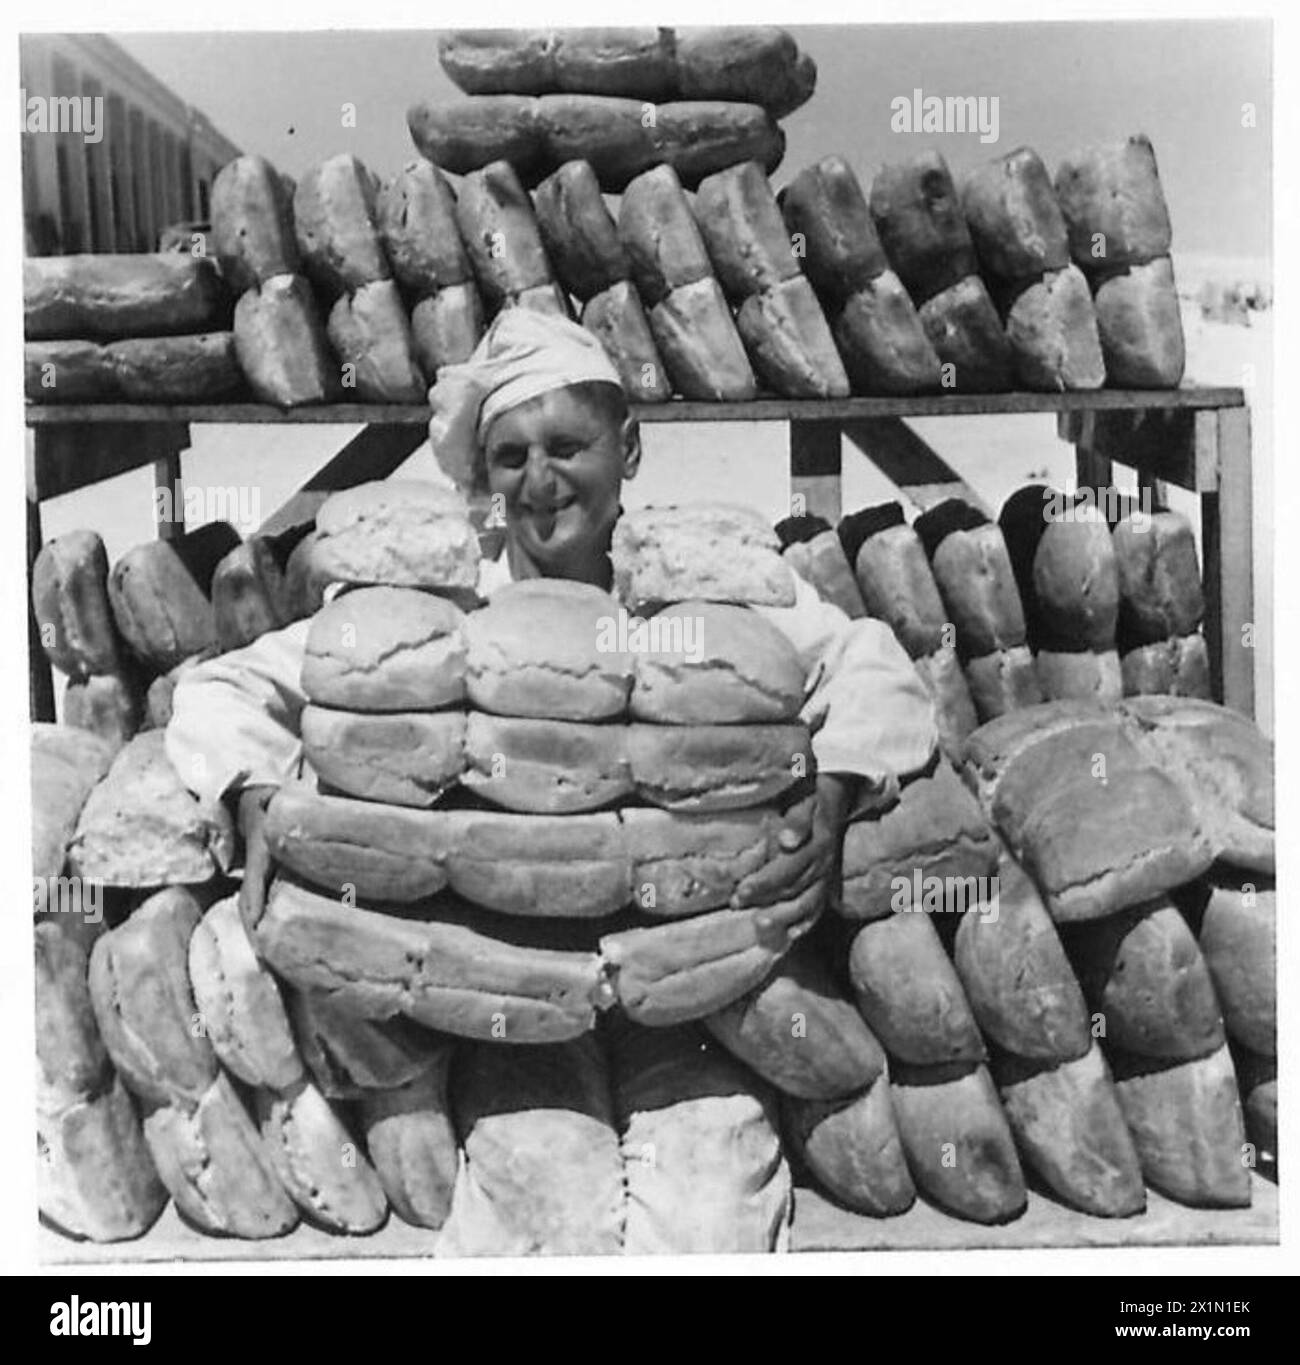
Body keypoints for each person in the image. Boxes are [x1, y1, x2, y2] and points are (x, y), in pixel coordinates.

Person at [166, 309, 938, 930]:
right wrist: (252, 793)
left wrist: (834, 791)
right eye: (511, 458)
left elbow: (870, 664)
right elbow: (222, 689)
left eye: (567, 446)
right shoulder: (449, 602)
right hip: (478, 931)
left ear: (628, 449)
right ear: (483, 475)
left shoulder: (692, 585)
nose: (539, 481)